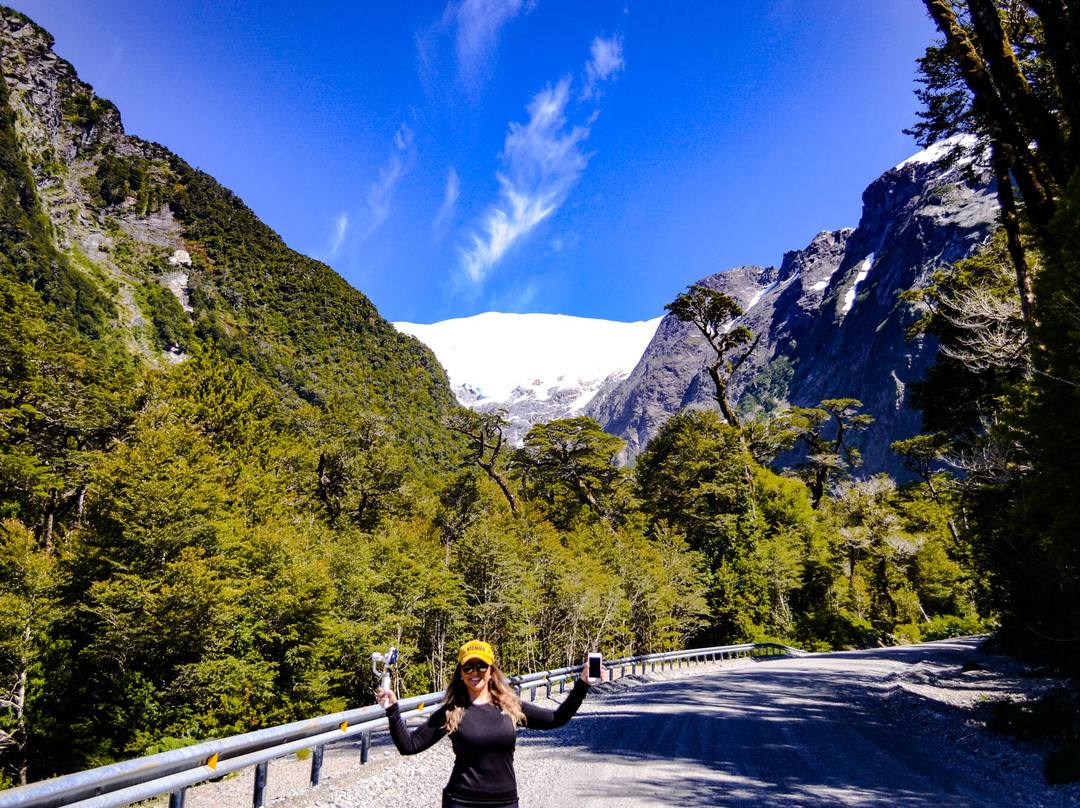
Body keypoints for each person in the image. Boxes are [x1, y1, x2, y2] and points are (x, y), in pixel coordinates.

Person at [377, 639, 595, 808]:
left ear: (491, 671)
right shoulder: (452, 712)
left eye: (481, 666)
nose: (475, 672)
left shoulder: (510, 706)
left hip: (504, 802)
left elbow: (558, 719)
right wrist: (392, 710)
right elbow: (409, 746)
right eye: (468, 667)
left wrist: (583, 684)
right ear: (460, 673)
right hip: (461, 801)